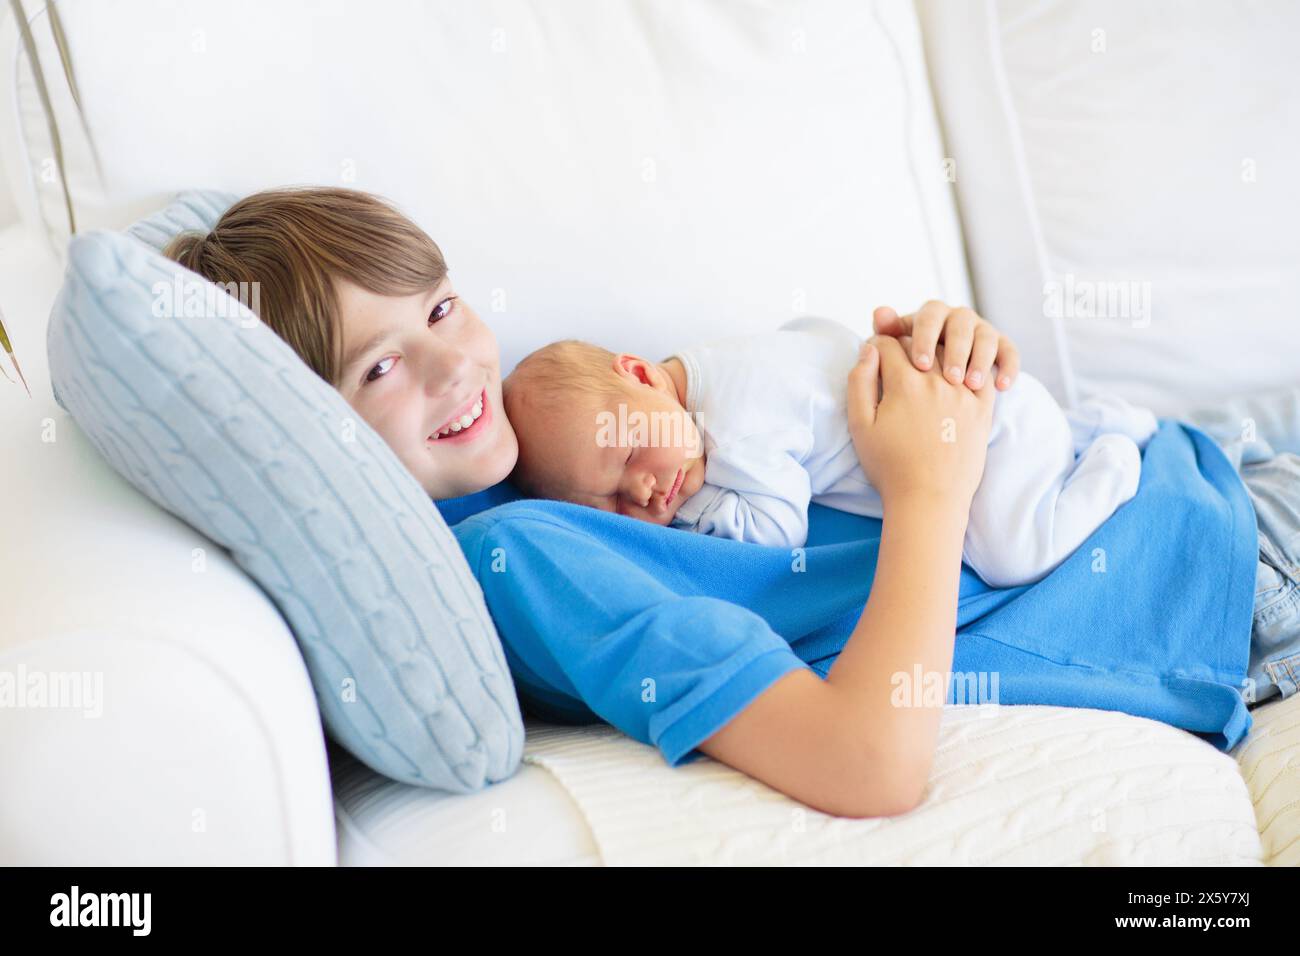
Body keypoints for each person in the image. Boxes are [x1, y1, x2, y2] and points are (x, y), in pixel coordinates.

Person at [165, 187, 1298, 819]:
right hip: (1221, 572)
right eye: (377, 366)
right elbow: (867, 764)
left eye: (443, 308)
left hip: (1160, 454)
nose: (452, 366)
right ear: (306, 426)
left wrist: (944, 360)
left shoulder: (553, 438)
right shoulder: (523, 557)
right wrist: (933, 477)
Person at [499, 317, 1160, 588]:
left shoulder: (732, 430)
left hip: (987, 430)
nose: (644, 492)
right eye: (614, 505)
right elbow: (816, 329)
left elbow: (778, 530)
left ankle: (1113, 457)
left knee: (1010, 556)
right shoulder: (718, 361)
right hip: (985, 406)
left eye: (627, 455)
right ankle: (1083, 426)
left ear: (640, 373)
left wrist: (693, 511)